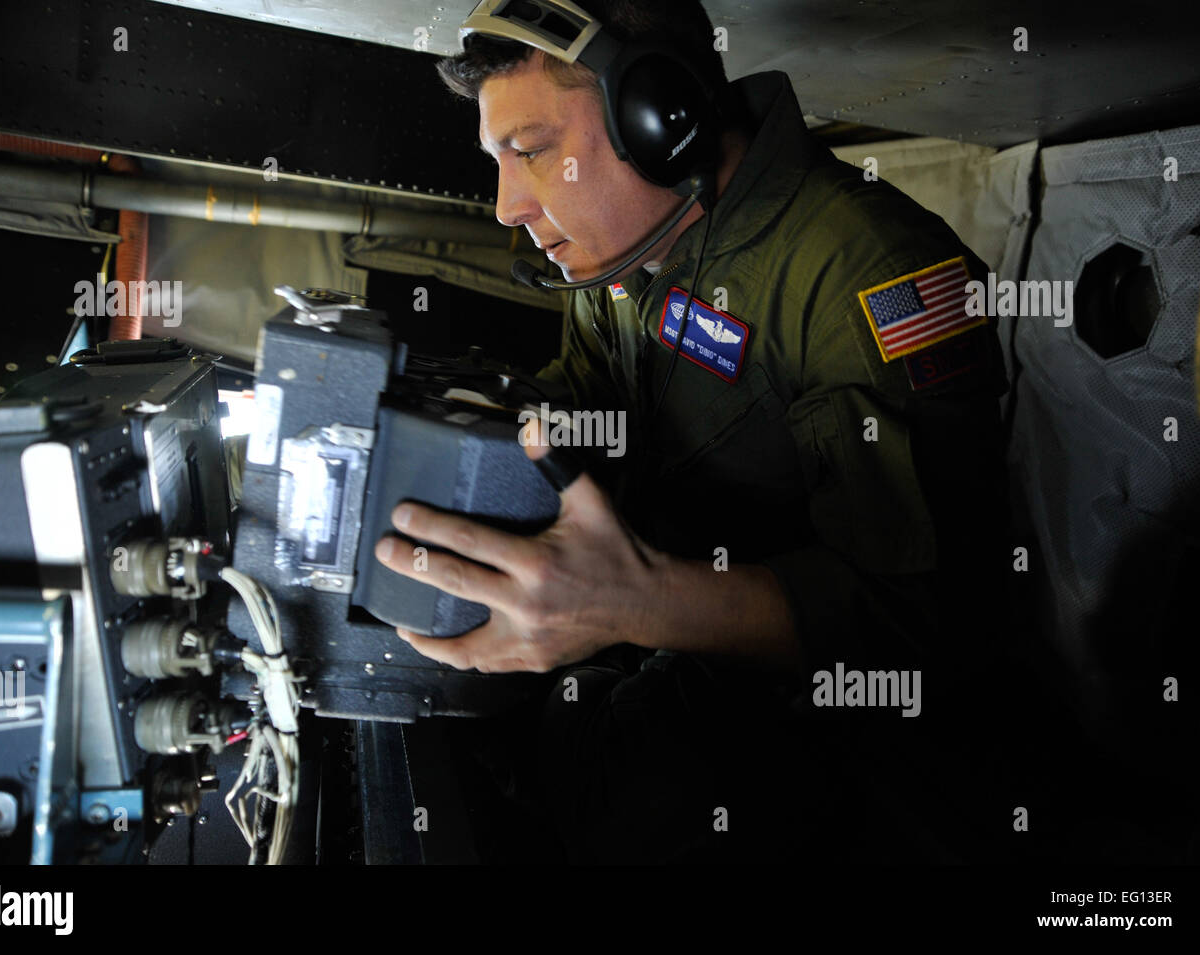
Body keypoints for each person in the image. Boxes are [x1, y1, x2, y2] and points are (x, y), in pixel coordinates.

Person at [373, 0, 1014, 862]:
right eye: (498, 161)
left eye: (531, 153)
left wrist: (633, 601)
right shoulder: (632, 250)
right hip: (673, 672)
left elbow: (922, 628)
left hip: (852, 745)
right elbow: (588, 403)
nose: (505, 206)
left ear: (659, 122)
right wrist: (455, 437)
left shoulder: (876, 278)